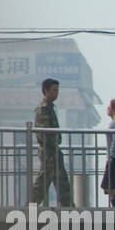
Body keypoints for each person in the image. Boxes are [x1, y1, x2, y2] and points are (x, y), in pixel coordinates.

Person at [29, 78, 74, 208]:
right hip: (49, 152)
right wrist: (54, 141)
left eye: (57, 90)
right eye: (54, 90)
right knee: (45, 183)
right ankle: (28, 208)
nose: (56, 93)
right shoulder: (42, 109)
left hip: (53, 151)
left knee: (59, 182)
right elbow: (45, 134)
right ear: (46, 91)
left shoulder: (50, 108)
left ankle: (69, 208)